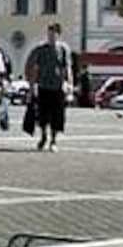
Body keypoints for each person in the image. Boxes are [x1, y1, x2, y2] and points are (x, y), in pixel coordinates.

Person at [26, 23, 74, 152]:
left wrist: (69, 84)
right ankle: (43, 136)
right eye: (49, 33)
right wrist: (32, 86)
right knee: (43, 115)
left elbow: (67, 67)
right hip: (43, 85)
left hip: (58, 87)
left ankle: (54, 140)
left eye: (53, 33)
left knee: (57, 115)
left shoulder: (63, 49)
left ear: (58, 34)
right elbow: (34, 67)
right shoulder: (41, 49)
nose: (51, 36)